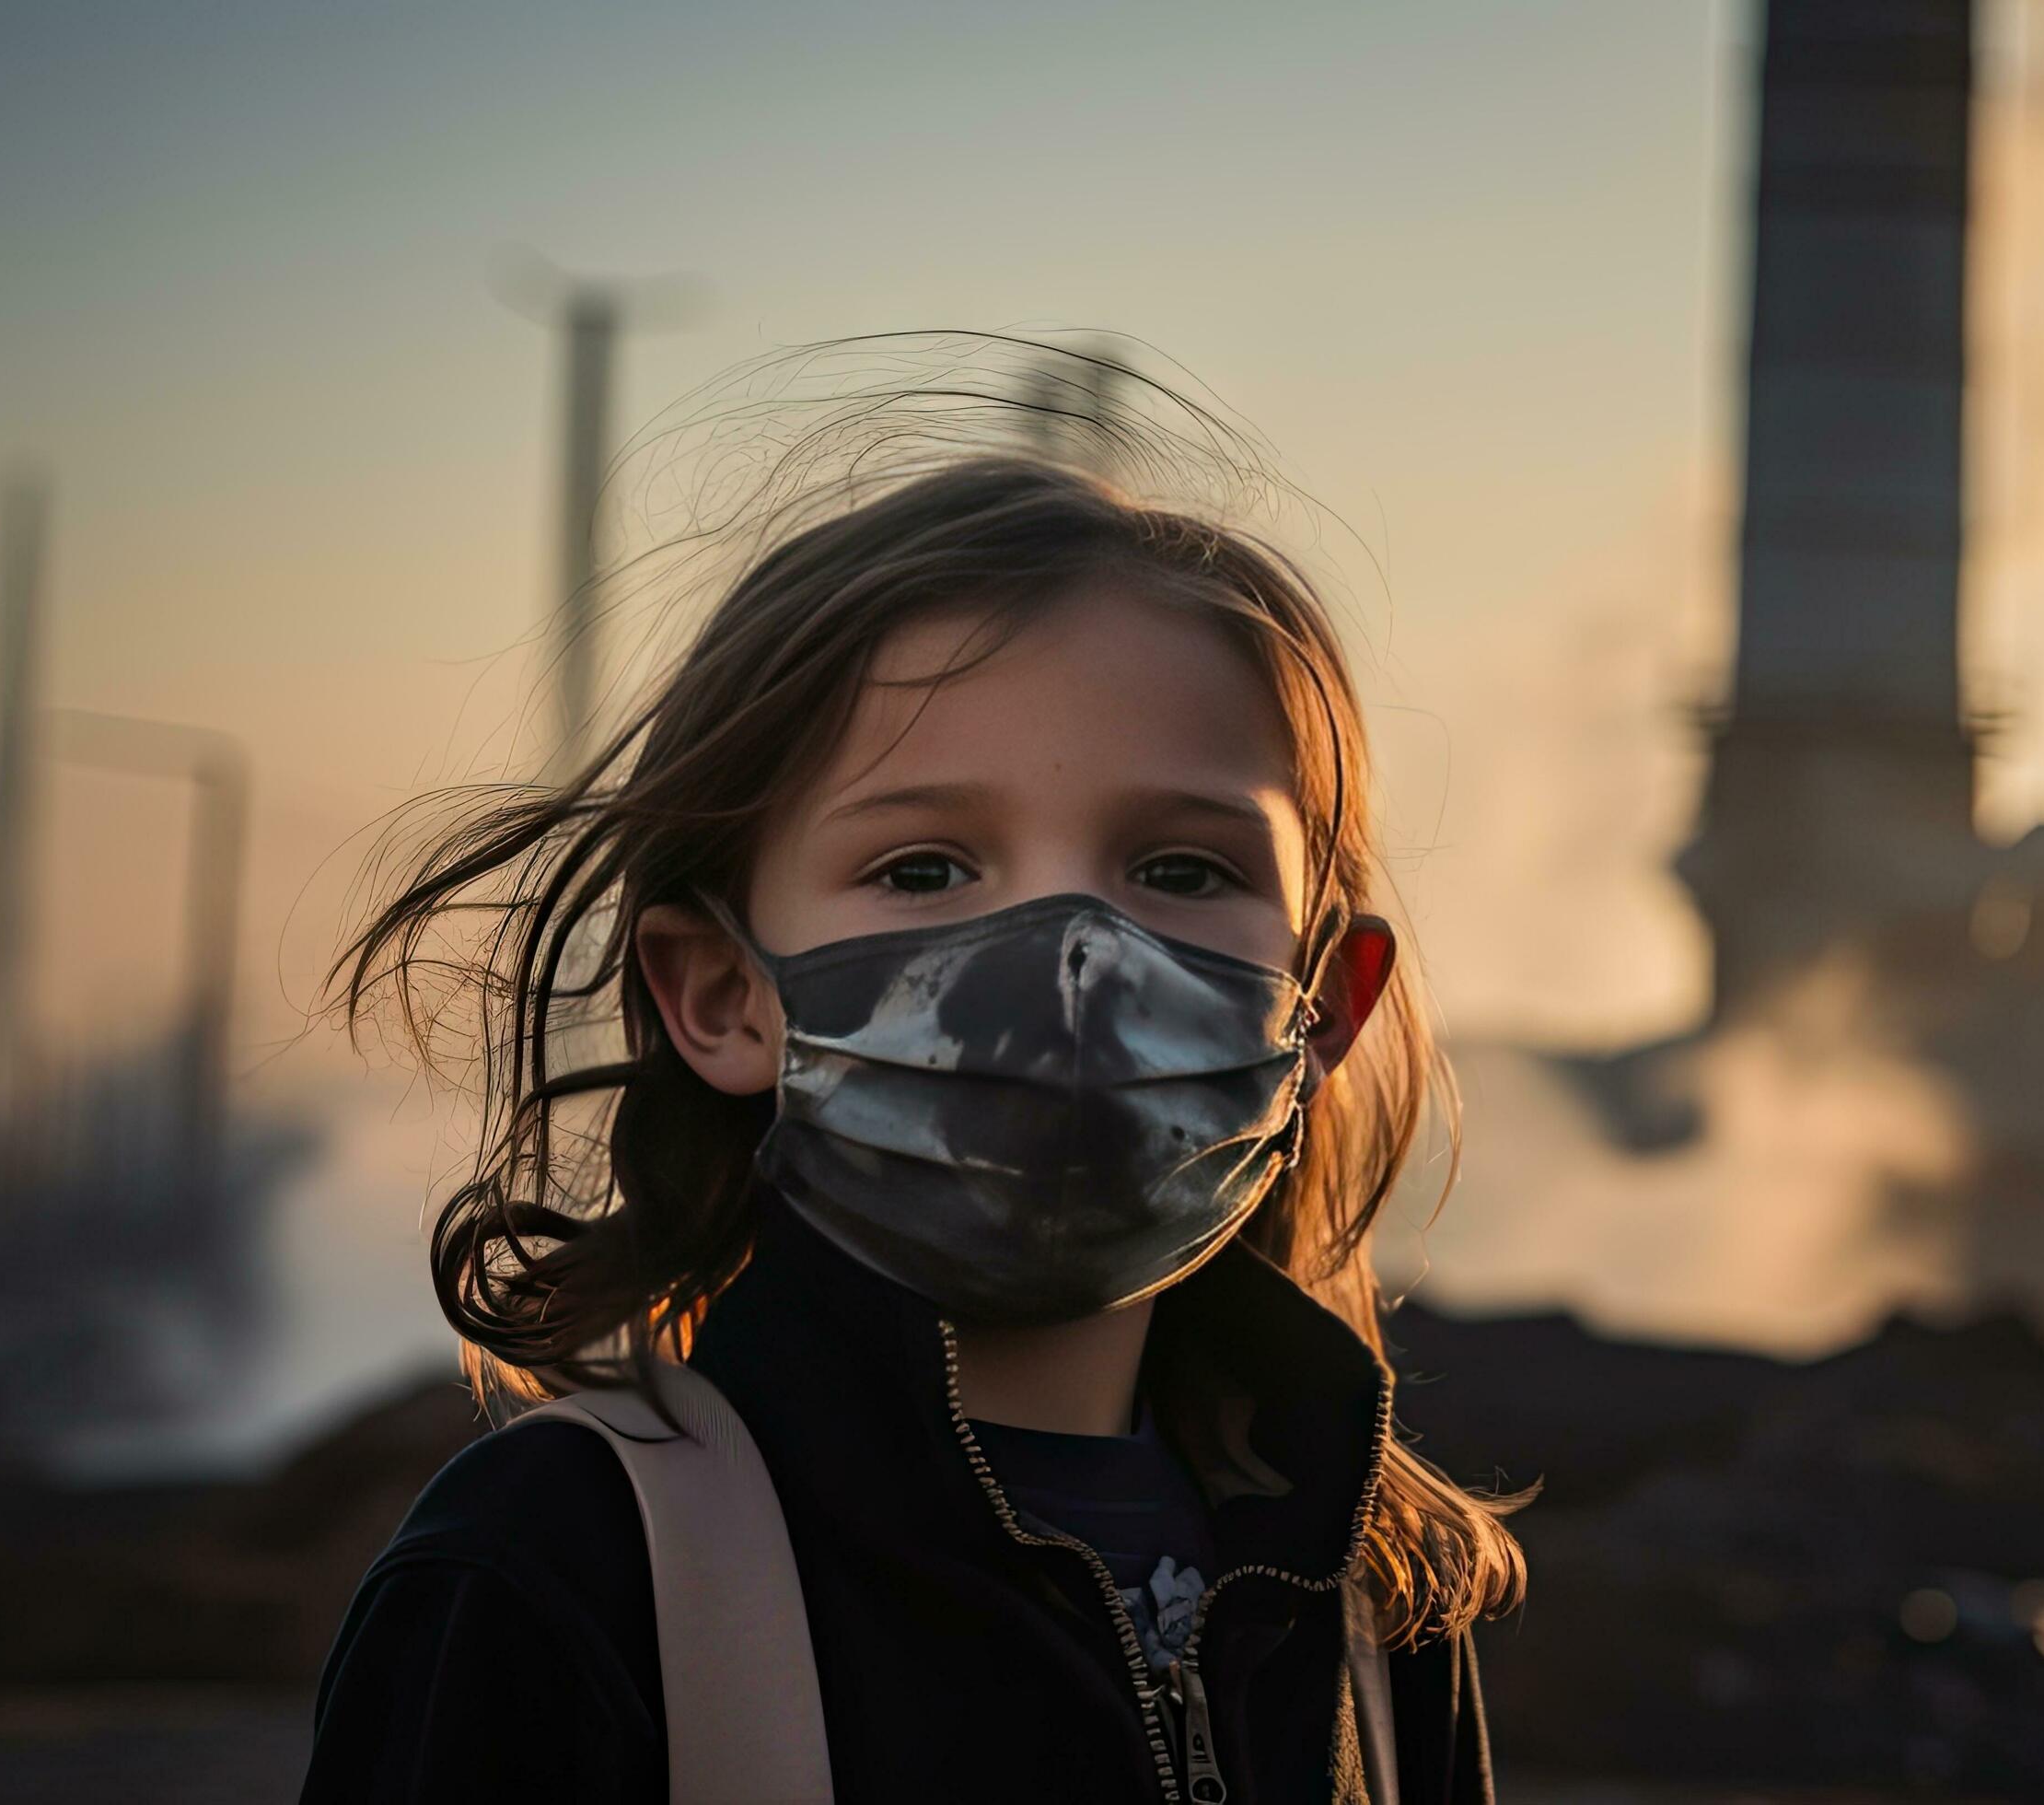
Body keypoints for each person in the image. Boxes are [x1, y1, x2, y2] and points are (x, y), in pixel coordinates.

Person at [301, 446, 1523, 1802]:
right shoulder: (556, 1574)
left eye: (1180, 868)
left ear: (1326, 1003)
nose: (1074, 959)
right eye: (922, 869)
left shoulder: (1370, 1600)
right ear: (721, 997)